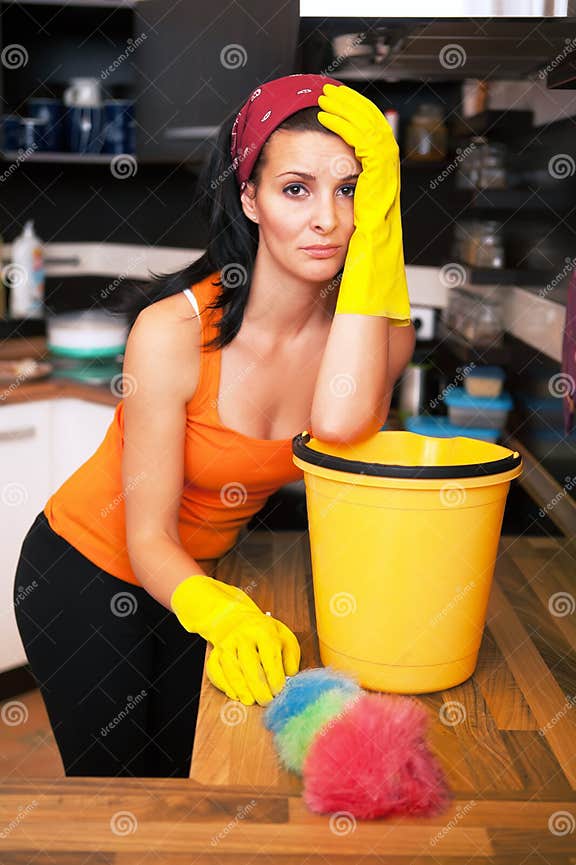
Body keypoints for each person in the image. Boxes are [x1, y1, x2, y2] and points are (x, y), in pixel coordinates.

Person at [13, 73, 416, 779]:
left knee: (182, 775)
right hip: (85, 566)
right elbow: (146, 537)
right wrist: (222, 614)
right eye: (297, 189)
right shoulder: (170, 332)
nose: (328, 217)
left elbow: (343, 421)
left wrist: (384, 221)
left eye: (350, 188)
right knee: (117, 787)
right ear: (250, 199)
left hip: (196, 578)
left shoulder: (368, 335)